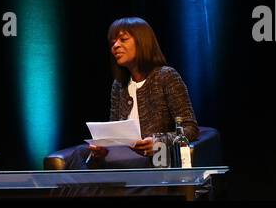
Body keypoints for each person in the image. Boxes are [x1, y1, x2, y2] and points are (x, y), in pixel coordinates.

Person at [64, 16, 200, 169]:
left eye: (123, 39)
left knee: (152, 159)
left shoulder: (166, 76)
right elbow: (113, 131)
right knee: (79, 153)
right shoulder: (119, 85)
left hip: (155, 156)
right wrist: (103, 148)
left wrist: (158, 141)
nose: (115, 46)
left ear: (142, 43)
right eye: (113, 42)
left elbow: (191, 128)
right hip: (123, 154)